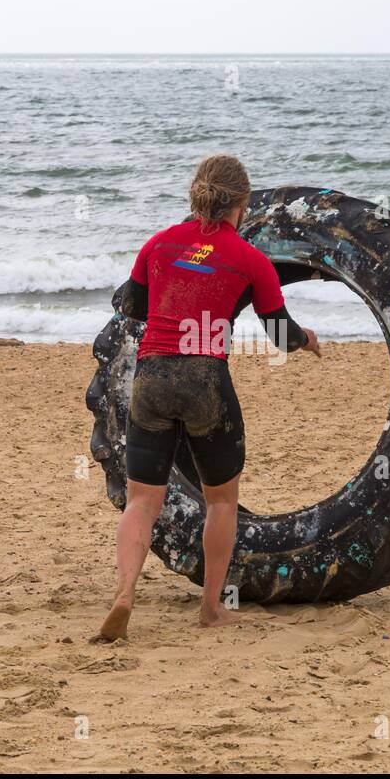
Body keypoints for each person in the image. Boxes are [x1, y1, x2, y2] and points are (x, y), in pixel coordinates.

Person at [95, 155, 320, 642]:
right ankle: (212, 608)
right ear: (241, 203)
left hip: (151, 377)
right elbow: (281, 334)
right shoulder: (250, 259)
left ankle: (124, 595)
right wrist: (308, 341)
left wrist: (179, 284)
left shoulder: (159, 243)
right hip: (205, 382)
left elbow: (129, 305)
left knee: (142, 501)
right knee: (221, 502)